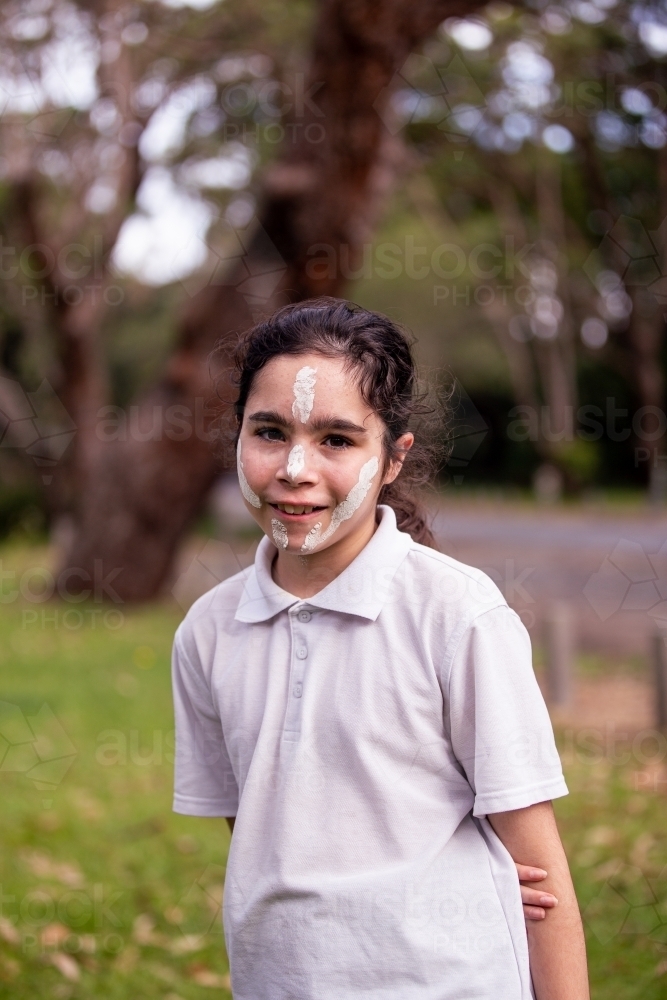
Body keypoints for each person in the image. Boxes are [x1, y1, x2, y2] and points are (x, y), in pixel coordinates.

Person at [171, 298, 589, 1000]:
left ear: (393, 459)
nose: (295, 469)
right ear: (236, 435)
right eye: (269, 431)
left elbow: (543, 879)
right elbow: (266, 832)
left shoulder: (456, 615)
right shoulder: (208, 632)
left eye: (337, 440)